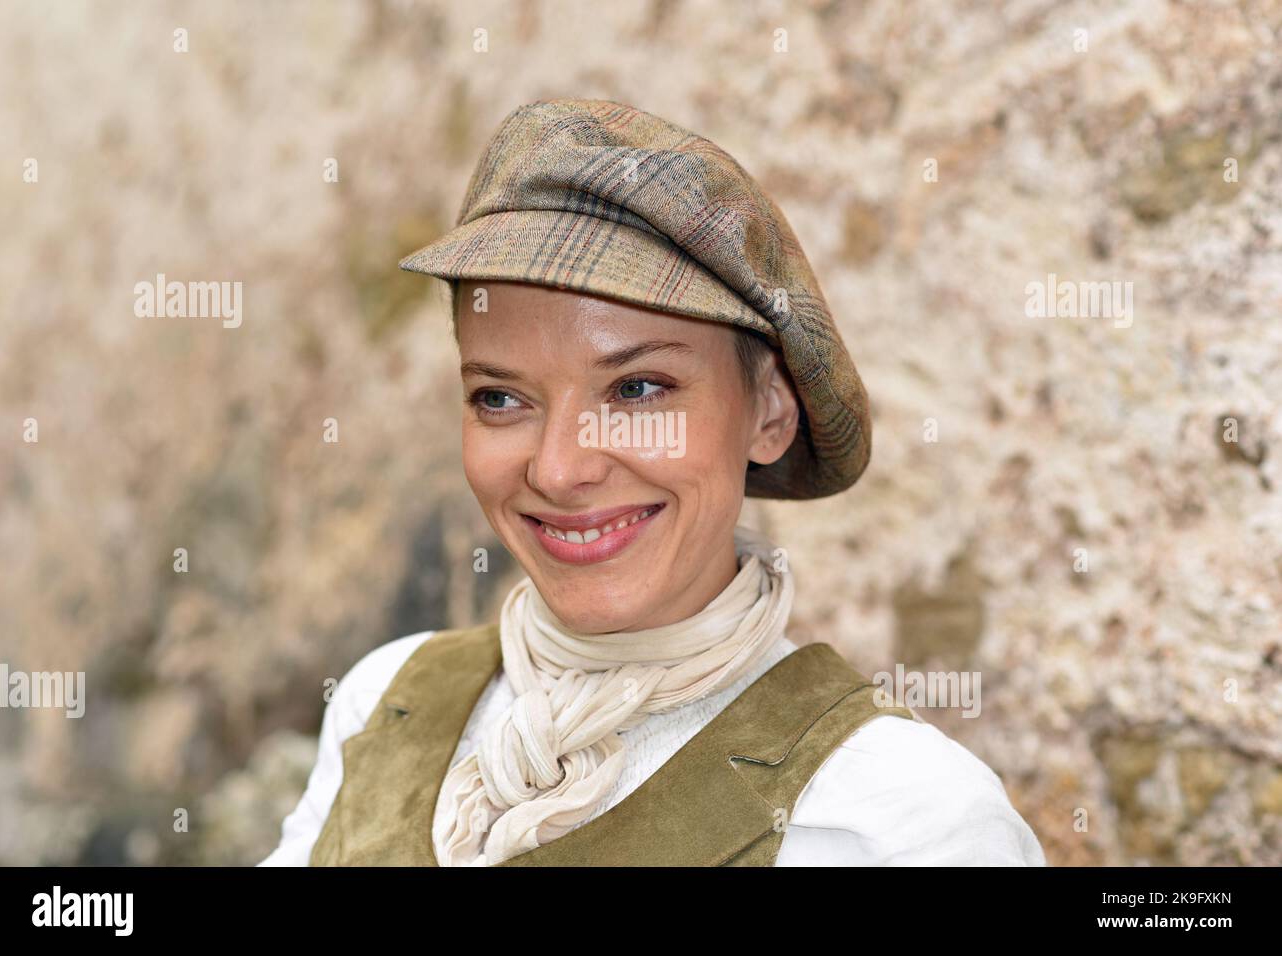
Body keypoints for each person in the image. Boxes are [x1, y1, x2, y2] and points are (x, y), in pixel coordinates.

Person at [259, 98, 1046, 867]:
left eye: (637, 390)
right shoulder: (386, 701)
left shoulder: (899, 823)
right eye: (500, 398)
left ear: (770, 412)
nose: (560, 469)